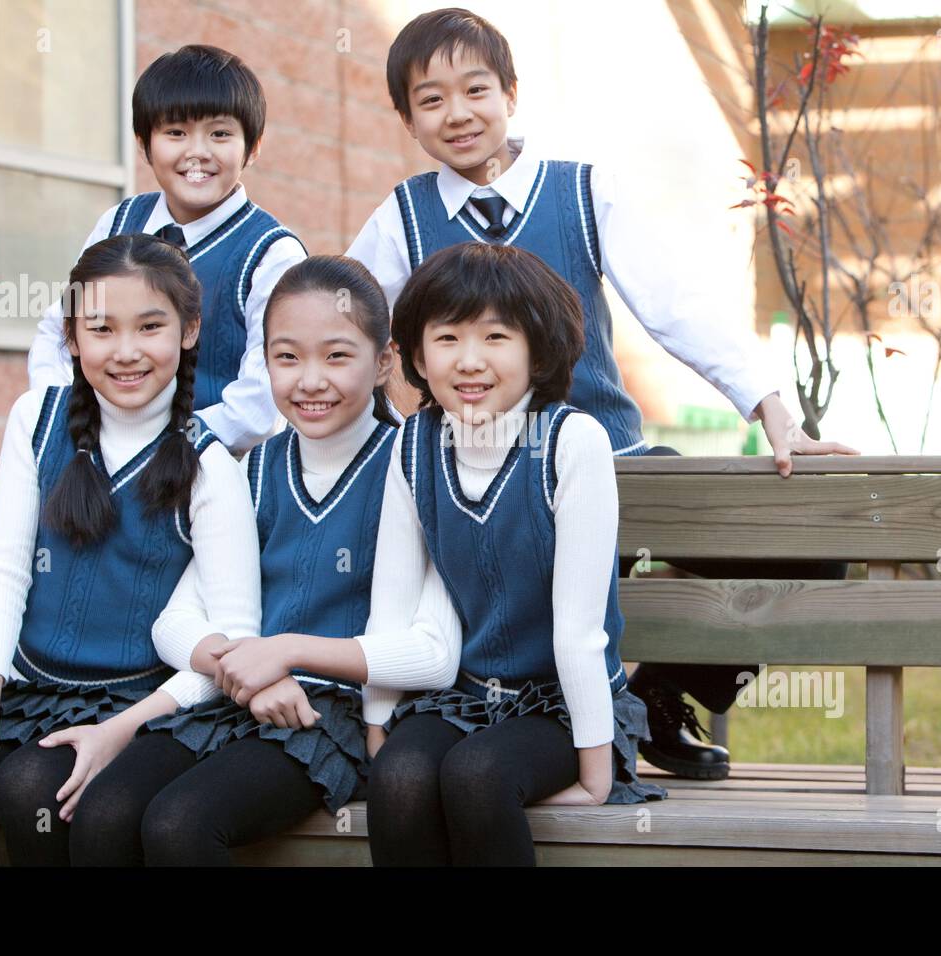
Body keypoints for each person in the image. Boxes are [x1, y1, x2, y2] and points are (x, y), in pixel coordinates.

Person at [347, 7, 858, 780]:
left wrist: (769, 405)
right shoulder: (402, 219)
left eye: (475, 88)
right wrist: (383, 431)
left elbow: (674, 304)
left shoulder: (582, 193)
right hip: (477, 484)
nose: (457, 113)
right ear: (407, 118)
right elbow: (345, 331)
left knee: (814, 542)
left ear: (511, 93)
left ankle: (654, 696)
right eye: (430, 99)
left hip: (610, 465)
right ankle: (504, 737)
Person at [69, 255, 457, 865]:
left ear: (384, 360)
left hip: (338, 719)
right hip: (239, 701)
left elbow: (432, 652)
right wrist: (250, 668)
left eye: (336, 356)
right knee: (103, 815)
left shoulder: (413, 470)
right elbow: (174, 623)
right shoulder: (248, 471)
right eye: (286, 357)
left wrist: (284, 652)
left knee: (179, 825)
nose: (309, 380)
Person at [0, 234, 260, 866]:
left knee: (31, 792)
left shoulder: (208, 464)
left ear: (188, 331)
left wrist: (121, 729)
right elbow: (6, 572)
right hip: (28, 691)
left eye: (150, 326)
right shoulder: (35, 421)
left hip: (142, 705)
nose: (126, 352)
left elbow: (233, 641)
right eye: (101, 329)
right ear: (72, 339)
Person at [365, 241, 665, 867]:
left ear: (538, 348)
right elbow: (390, 605)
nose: (469, 361)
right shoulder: (413, 444)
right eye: (446, 338)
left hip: (564, 705)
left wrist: (595, 772)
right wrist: (378, 726)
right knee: (398, 779)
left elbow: (581, 629)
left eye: (495, 337)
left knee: (477, 777)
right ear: (417, 354)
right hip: (466, 694)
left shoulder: (569, 442)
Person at [27, 44, 305, 457]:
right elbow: (59, 330)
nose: (197, 152)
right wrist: (69, 418)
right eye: (175, 133)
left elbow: (259, 405)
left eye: (220, 133)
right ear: (144, 144)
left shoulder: (271, 253)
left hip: (214, 471)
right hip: (103, 464)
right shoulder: (119, 223)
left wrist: (157, 444)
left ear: (254, 145)